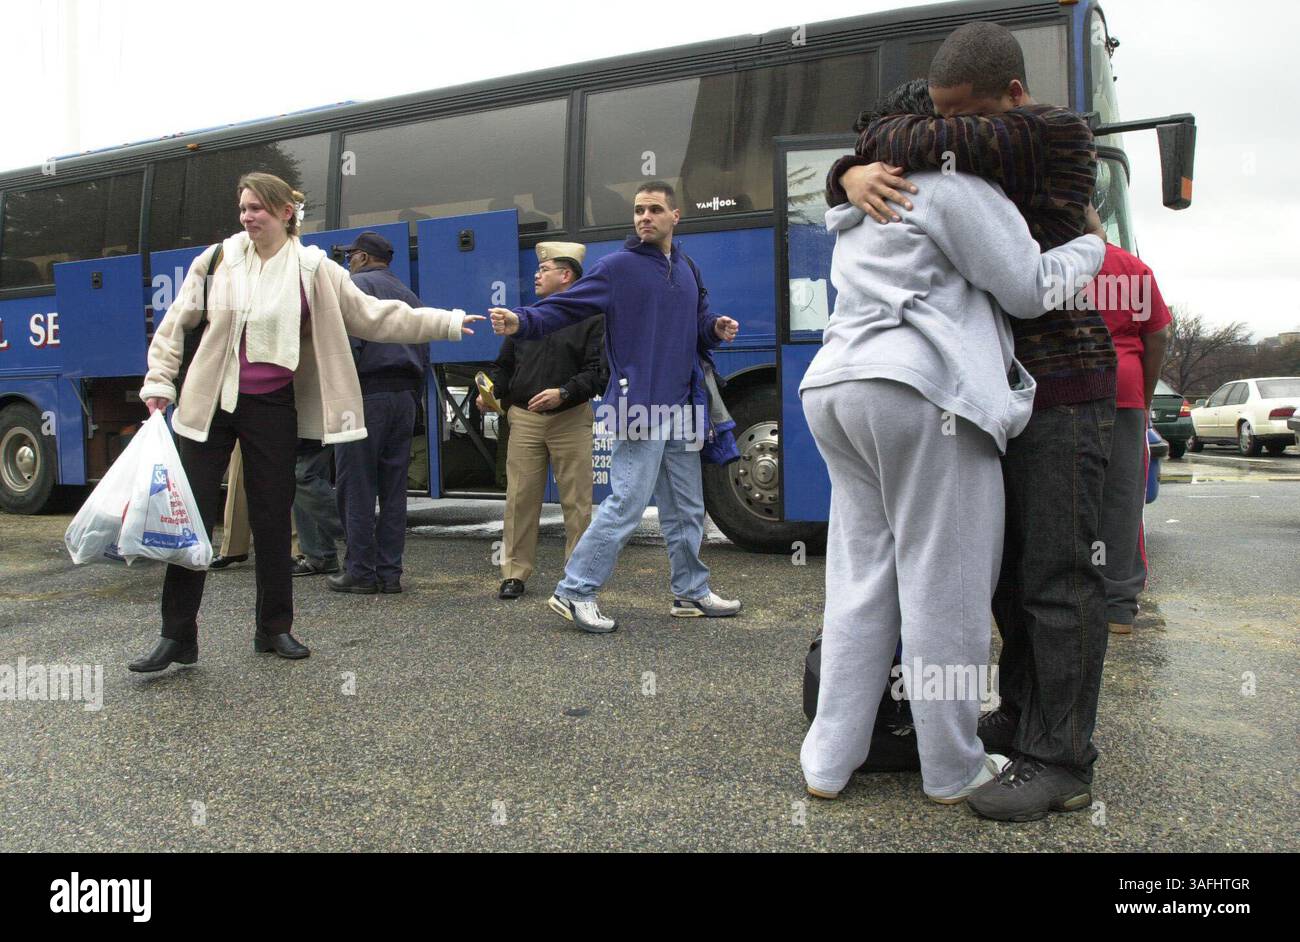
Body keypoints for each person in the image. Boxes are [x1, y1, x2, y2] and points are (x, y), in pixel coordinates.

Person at [828, 22, 1116, 821]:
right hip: (993, 390)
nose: (946, 129)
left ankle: (1062, 759)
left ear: (1013, 101)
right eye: (941, 114)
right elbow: (898, 139)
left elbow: (903, 134)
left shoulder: (1050, 138)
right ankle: (1022, 722)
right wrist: (850, 172)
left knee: (1059, 579)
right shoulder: (968, 153)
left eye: (964, 114)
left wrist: (855, 161)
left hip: (1063, 382)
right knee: (1009, 579)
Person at [129, 174, 481, 672]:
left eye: (258, 209)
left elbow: (372, 316)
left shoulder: (312, 267)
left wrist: (443, 323)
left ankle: (274, 629)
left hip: (272, 405)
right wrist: (159, 382)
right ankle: (177, 636)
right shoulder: (217, 260)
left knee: (274, 521)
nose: (248, 217)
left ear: (285, 213)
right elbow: (176, 323)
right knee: (192, 522)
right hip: (207, 404)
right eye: (244, 208)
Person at [490, 182, 741, 633]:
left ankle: (690, 592)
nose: (645, 216)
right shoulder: (617, 268)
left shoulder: (687, 268)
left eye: (655, 209)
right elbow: (565, 307)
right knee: (625, 502)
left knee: (687, 507)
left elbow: (697, 323)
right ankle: (574, 590)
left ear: (675, 216)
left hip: (683, 404)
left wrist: (714, 328)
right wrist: (522, 321)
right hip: (639, 405)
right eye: (639, 210)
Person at [480, 241, 606, 601]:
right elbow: (503, 368)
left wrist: (564, 393)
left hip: (570, 418)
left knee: (577, 504)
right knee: (519, 499)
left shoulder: (593, 318)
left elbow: (599, 373)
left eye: (544, 270)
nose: (536, 275)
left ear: (566, 275)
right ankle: (513, 573)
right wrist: (489, 390)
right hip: (525, 420)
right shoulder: (525, 318)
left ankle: (577, 578)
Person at [329, 231, 431, 595]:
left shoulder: (354, 286)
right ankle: (389, 574)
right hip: (404, 397)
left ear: (360, 257)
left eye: (349, 255)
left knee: (356, 484)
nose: (346, 262)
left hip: (365, 396)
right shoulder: (409, 295)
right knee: (393, 489)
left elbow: (347, 350)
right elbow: (424, 353)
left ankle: (359, 572)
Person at [1087, 244, 1172, 634]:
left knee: (1061, 499)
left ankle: (1061, 600)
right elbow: (1158, 335)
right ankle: (1117, 607)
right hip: (1125, 390)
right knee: (1121, 498)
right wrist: (1145, 394)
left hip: (1059, 390)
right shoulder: (1132, 267)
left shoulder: (1043, 256)